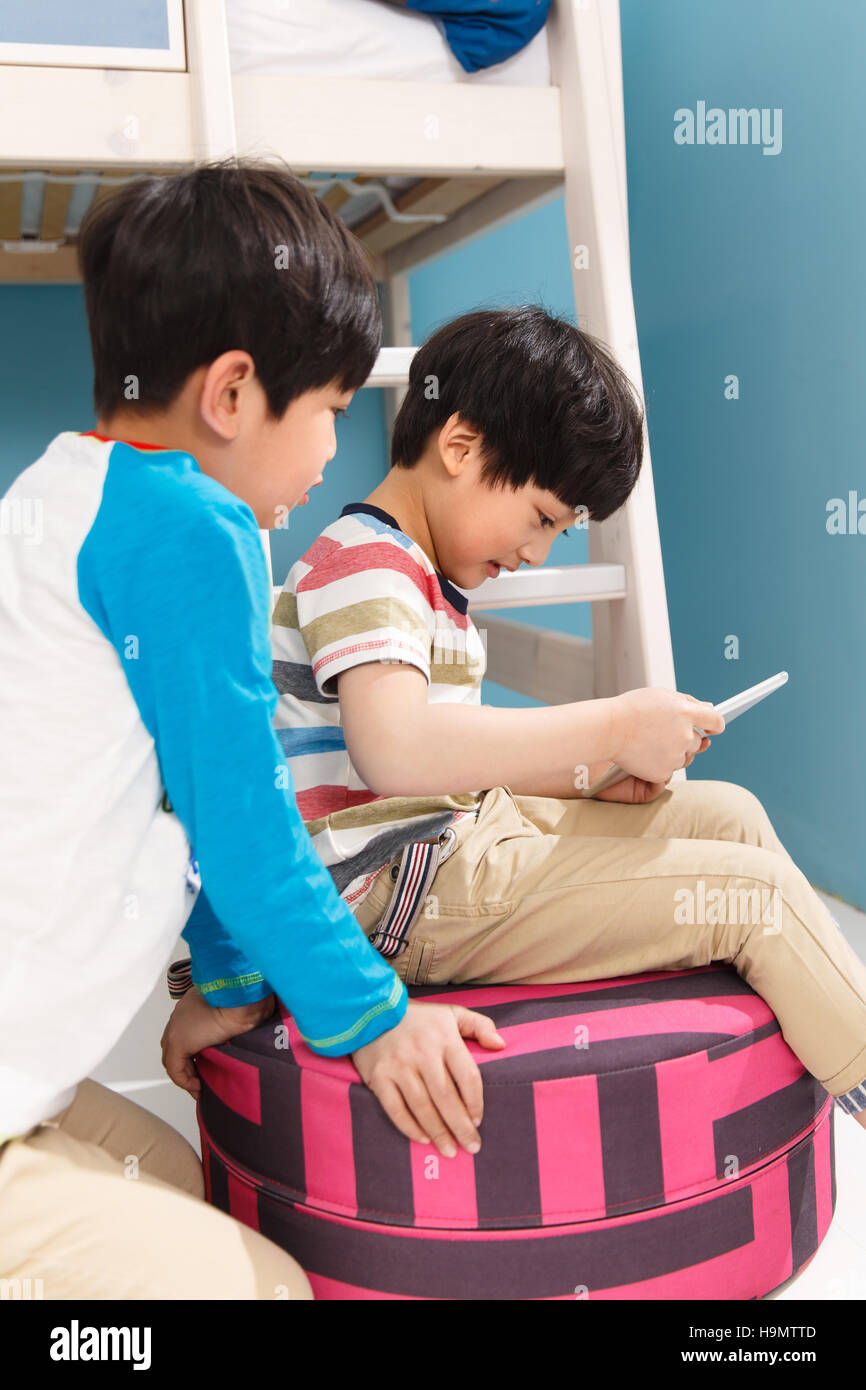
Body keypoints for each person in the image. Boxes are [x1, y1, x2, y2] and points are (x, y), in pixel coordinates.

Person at [163, 305, 866, 1143]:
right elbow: (396, 752)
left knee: (732, 814)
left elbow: (449, 760)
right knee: (755, 899)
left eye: (562, 531)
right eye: (541, 519)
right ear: (459, 448)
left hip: (448, 844)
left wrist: (592, 775)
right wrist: (610, 726)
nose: (539, 554)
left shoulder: (417, 574)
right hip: (399, 892)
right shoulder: (365, 566)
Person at [0, 158, 508, 1302]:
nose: (335, 453)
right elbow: (244, 816)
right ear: (232, 395)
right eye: (329, 410)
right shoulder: (190, 526)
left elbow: (186, 790)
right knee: (262, 1290)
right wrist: (374, 1018)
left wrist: (228, 976)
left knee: (179, 1183)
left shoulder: (62, 494)